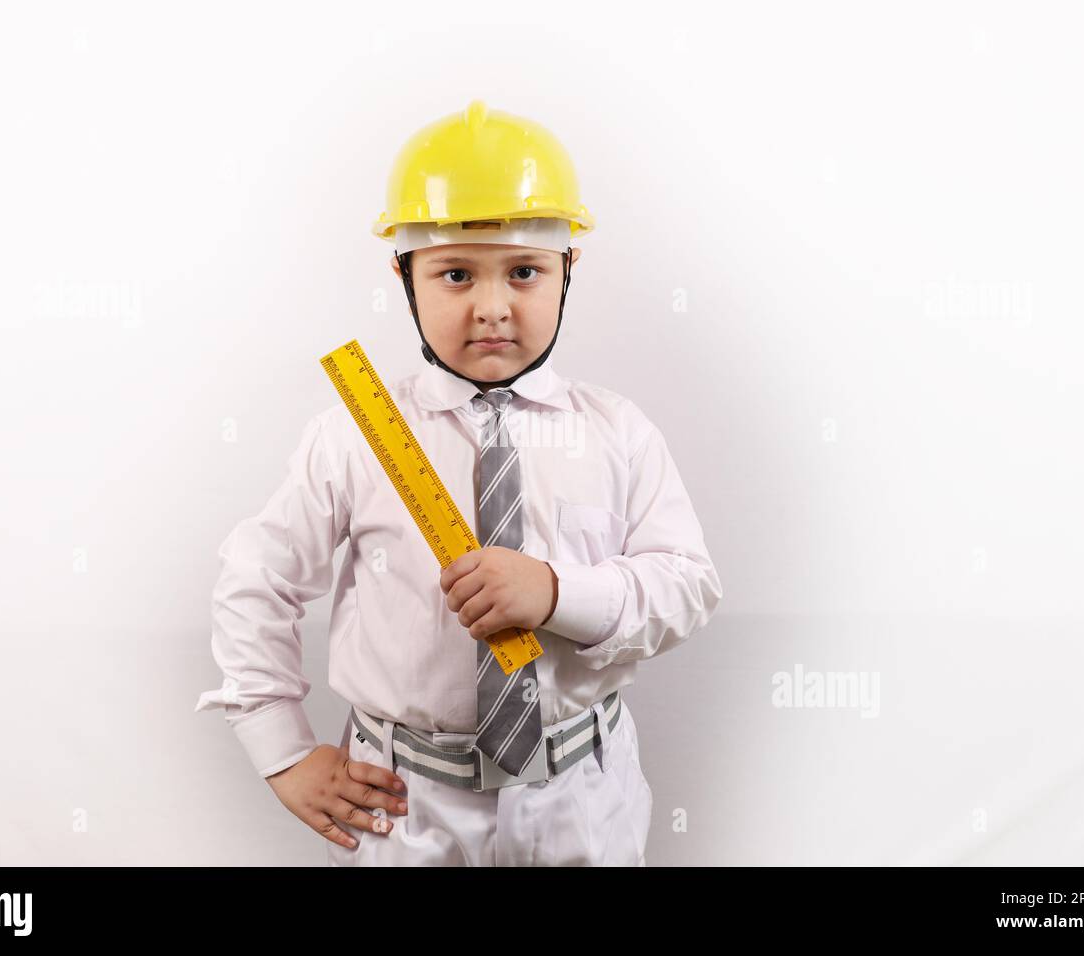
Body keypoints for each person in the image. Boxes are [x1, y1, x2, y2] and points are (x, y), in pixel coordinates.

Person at [195, 99, 723, 865]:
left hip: (583, 797)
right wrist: (281, 748)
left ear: (568, 268)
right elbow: (259, 577)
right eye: (454, 274)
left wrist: (555, 592)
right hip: (406, 807)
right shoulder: (354, 436)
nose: (491, 308)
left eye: (524, 271)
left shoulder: (620, 431)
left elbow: (688, 586)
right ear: (403, 274)